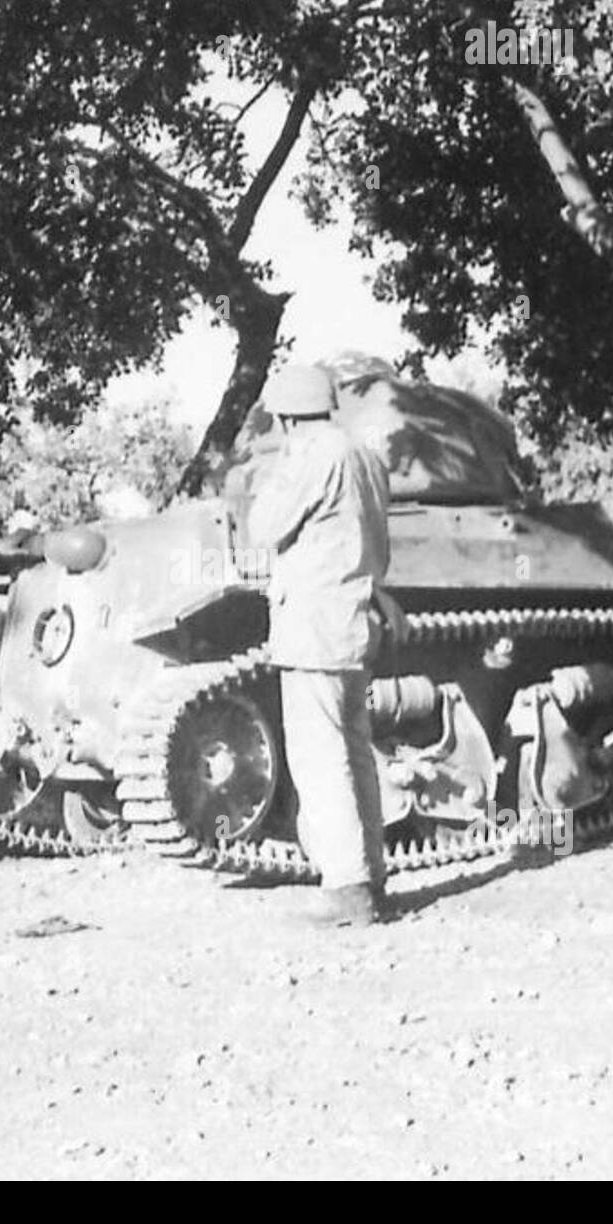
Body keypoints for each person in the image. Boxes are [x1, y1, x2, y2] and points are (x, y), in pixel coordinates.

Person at [248, 364, 395, 927]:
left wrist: (275, 474)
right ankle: (369, 879)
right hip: (353, 619)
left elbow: (264, 527)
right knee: (355, 752)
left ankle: (347, 889)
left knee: (320, 756)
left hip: (314, 627)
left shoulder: (311, 456)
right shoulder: (363, 455)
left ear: (285, 418)